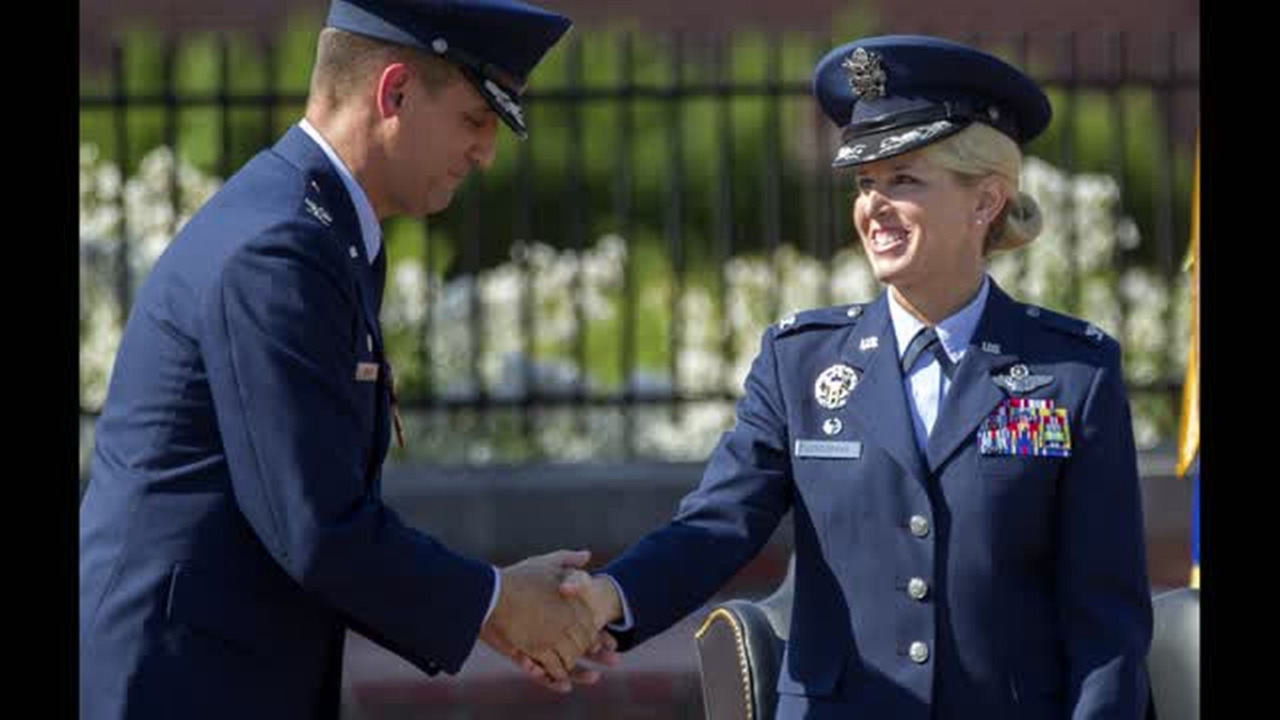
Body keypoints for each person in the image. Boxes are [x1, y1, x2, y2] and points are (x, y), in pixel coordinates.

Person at [561, 34, 1154, 719]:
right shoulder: (801, 363)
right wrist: (607, 599)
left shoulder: (1071, 372)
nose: (874, 206)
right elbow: (718, 525)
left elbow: (1105, 619)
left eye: (904, 179)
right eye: (866, 183)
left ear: (986, 200)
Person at [78, 2, 616, 718]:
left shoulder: (323, 229)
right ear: (393, 93)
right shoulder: (281, 248)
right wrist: (496, 601)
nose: (486, 152)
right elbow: (316, 525)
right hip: (177, 680)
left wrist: (493, 598)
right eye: (473, 120)